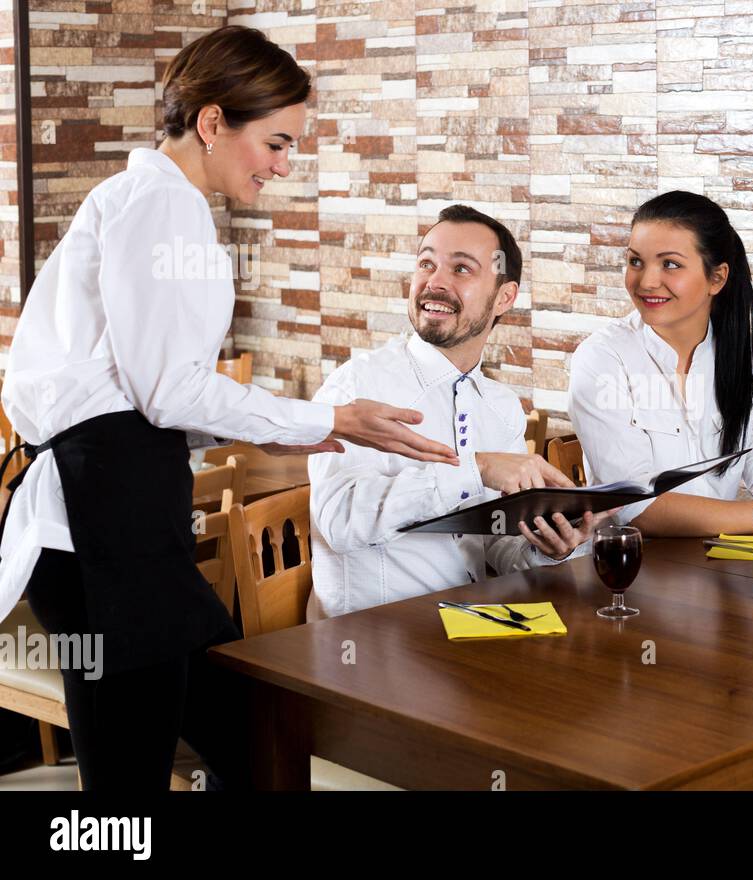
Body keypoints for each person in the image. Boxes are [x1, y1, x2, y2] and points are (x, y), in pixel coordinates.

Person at [0, 26, 455, 791]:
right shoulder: (161, 206)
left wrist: (300, 431)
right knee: (134, 787)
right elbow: (167, 390)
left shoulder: (150, 200)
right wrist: (326, 421)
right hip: (101, 527)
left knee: (251, 736)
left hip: (120, 514)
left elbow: (147, 391)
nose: (283, 164)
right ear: (213, 123)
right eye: (275, 143)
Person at [307, 206, 611, 618]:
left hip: (466, 628)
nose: (434, 282)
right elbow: (339, 522)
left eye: (461, 269)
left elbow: (495, 545)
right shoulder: (356, 386)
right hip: (370, 645)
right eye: (426, 264)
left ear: (504, 296)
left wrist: (546, 548)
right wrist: (476, 469)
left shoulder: (500, 406)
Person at [567, 191, 753, 536]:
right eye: (635, 261)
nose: (646, 281)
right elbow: (637, 508)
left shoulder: (747, 351)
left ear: (716, 278)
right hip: (629, 572)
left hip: (718, 570)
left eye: (669, 264)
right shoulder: (603, 358)